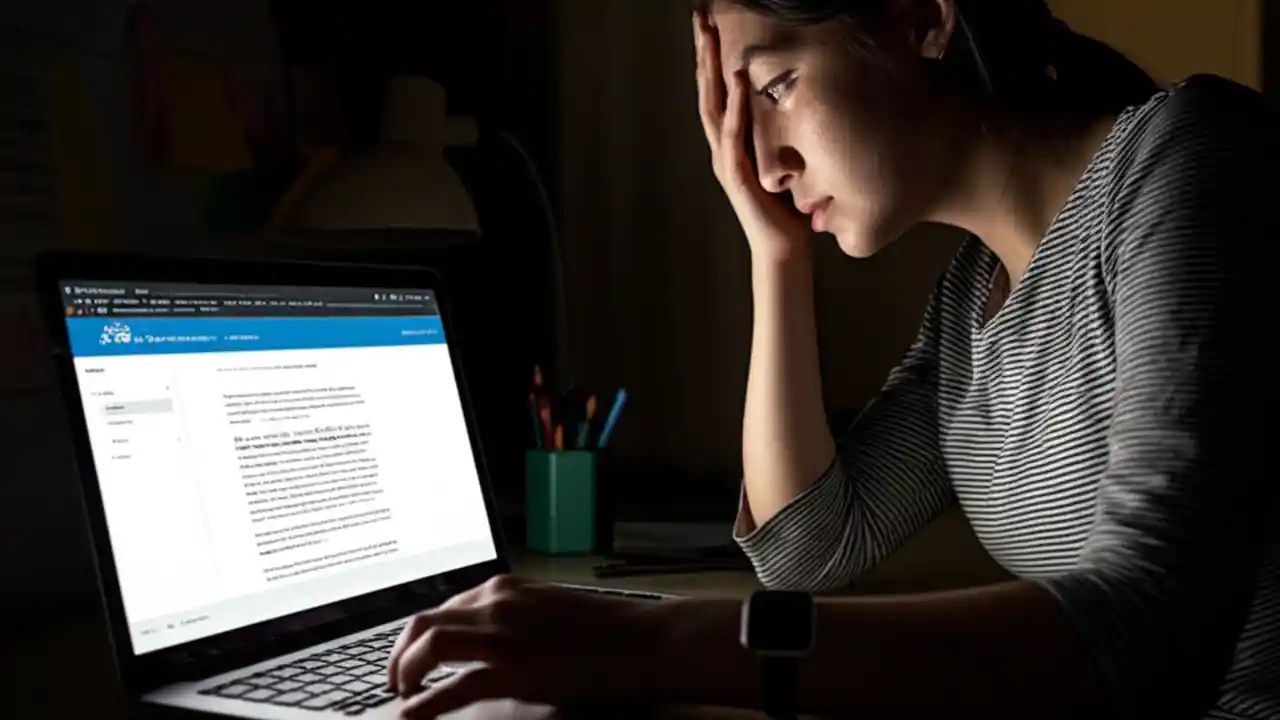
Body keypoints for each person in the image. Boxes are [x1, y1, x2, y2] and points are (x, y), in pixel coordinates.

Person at [383, 0, 1278, 717]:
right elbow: (808, 547)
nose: (762, 163)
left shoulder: (1190, 154)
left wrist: (645, 645)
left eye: (773, 89)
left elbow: (1155, 633)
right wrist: (773, 256)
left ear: (923, 20)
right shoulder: (972, 303)